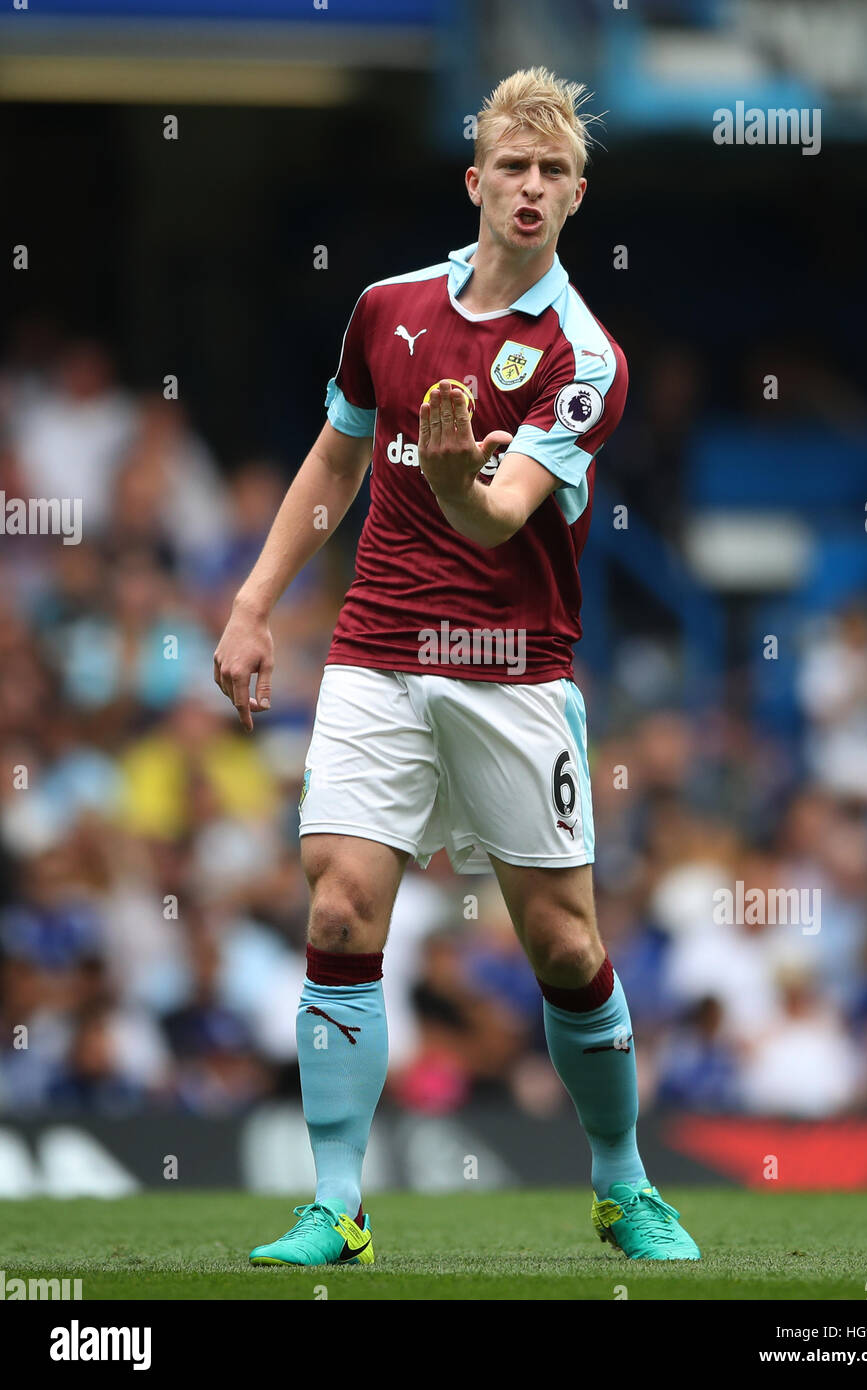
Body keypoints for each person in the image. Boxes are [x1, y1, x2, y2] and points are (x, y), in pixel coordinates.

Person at [214, 66, 700, 1266]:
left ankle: (621, 1182)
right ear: (473, 178)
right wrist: (252, 603)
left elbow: (497, 519)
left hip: (511, 669)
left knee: (566, 950)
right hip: (376, 648)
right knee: (337, 902)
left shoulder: (585, 356)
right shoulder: (384, 309)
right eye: (511, 167)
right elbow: (332, 464)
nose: (529, 188)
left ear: (576, 194)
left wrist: (445, 478)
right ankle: (336, 1203)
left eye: (553, 172)